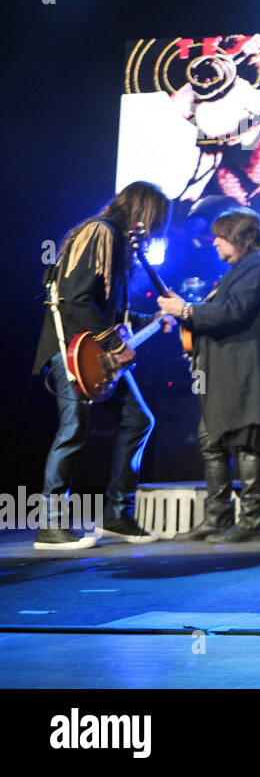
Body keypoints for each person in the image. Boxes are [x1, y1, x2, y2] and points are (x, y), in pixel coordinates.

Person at [33, 181, 172, 549]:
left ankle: (116, 516)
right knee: (73, 428)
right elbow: (74, 299)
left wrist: (152, 319)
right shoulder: (100, 232)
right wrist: (114, 344)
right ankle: (50, 526)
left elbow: (108, 311)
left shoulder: (119, 243)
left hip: (96, 354)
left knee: (139, 419)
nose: (156, 229)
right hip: (74, 351)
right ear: (145, 212)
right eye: (156, 219)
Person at [158, 208, 260, 543]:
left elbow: (233, 313)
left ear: (239, 237)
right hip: (231, 369)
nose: (214, 242)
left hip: (248, 369)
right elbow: (223, 311)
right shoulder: (247, 268)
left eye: (220, 235)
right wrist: (186, 310)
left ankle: (252, 522)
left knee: (246, 440)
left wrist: (185, 310)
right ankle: (218, 518)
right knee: (212, 438)